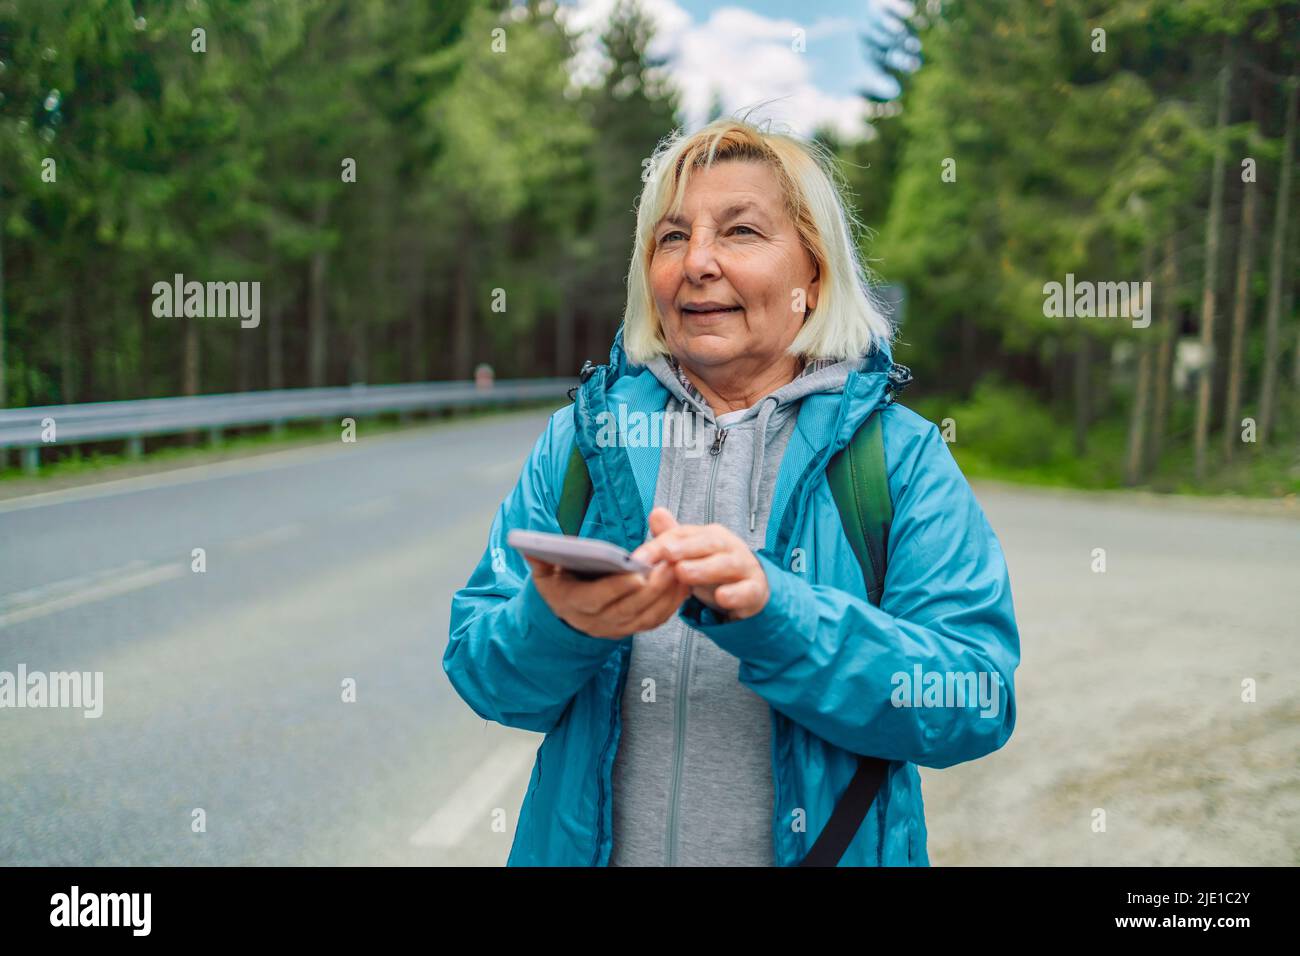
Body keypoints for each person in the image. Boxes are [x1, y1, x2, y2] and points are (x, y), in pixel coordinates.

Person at [443, 117, 1020, 866]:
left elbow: (973, 699)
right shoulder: (584, 442)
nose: (699, 263)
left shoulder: (896, 457)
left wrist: (781, 617)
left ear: (813, 276)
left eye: (741, 232)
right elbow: (485, 675)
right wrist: (561, 624)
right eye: (672, 237)